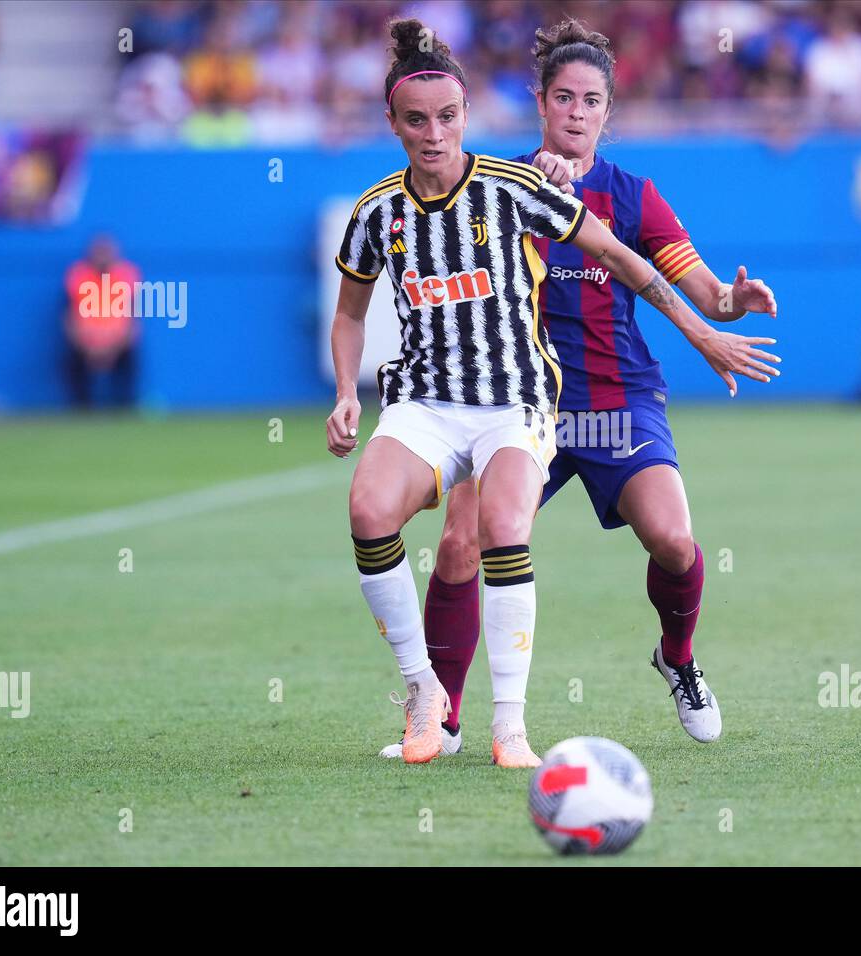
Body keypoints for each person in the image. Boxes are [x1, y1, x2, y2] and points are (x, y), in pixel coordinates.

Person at [327, 18, 772, 768]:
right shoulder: (500, 188)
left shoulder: (632, 197)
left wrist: (725, 309)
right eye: (561, 97)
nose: (575, 112)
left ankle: (679, 658)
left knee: (672, 539)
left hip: (613, 399)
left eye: (590, 100)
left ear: (607, 111)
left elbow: (685, 283)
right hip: (513, 399)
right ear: (539, 103)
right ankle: (450, 715)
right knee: (463, 542)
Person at [64, 236, 140, 408]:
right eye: (99, 252)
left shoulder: (125, 275)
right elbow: (69, 317)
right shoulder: (78, 275)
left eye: (108, 252)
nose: (103, 257)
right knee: (71, 361)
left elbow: (132, 320)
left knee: (131, 357)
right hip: (85, 344)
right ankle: (81, 408)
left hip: (117, 344)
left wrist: (113, 349)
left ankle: (125, 406)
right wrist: (88, 347)